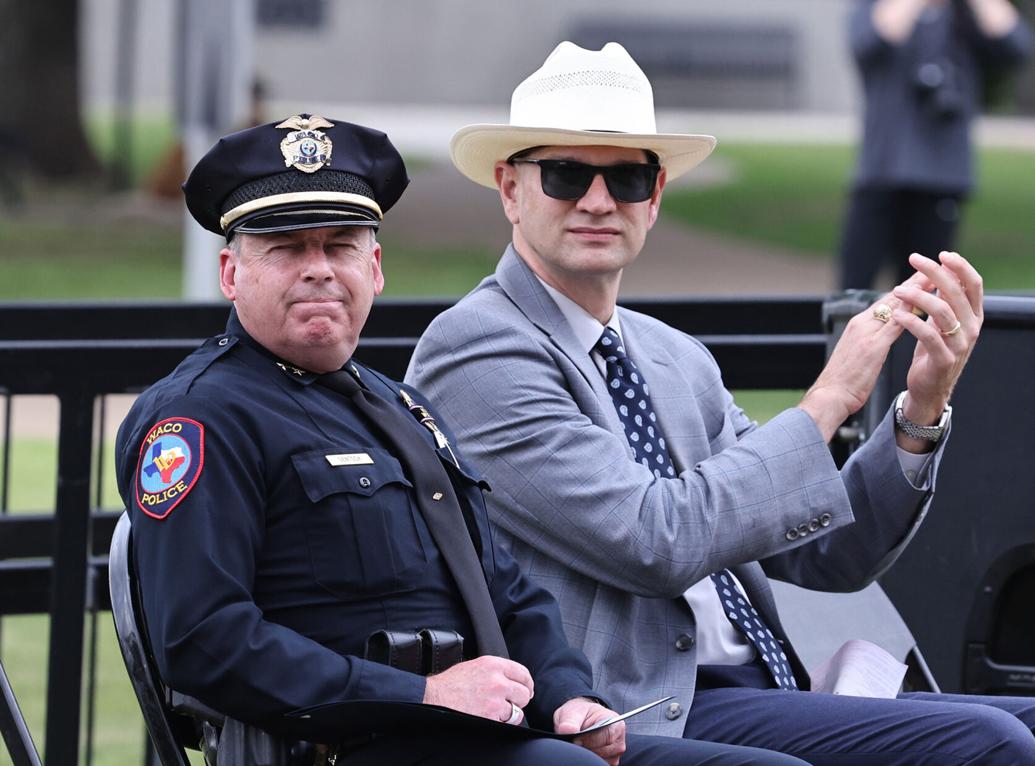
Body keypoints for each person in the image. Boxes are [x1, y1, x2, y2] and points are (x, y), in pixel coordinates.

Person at [406, 41, 1035, 762]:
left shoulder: (672, 356)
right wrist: (829, 397)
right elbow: (654, 541)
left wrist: (919, 411)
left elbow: (824, 552)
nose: (598, 200)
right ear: (509, 189)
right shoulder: (476, 347)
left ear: (657, 196)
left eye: (629, 179)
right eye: (564, 173)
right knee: (988, 743)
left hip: (763, 684)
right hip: (630, 709)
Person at [114, 114, 809, 766]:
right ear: (232, 274)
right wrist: (423, 695)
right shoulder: (200, 417)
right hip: (349, 741)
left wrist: (570, 696)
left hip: (484, 732)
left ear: (375, 270)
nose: (319, 268)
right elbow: (202, 641)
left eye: (340, 247)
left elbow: (506, 590)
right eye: (287, 248)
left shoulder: (398, 406)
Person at [839, 0, 1033, 290]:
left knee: (923, 295)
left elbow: (1016, 45)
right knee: (853, 289)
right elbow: (871, 41)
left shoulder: (965, 17)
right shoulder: (876, 7)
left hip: (942, 176)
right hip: (881, 169)